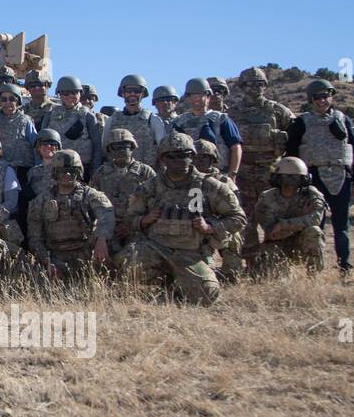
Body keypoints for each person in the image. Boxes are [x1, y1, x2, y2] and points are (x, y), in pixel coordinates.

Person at [121, 133, 245, 305]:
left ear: (192, 156)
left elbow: (238, 217)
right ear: (163, 159)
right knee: (128, 263)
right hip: (156, 249)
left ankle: (182, 282)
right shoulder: (150, 186)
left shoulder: (209, 185)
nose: (178, 161)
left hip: (192, 253)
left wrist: (210, 227)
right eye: (172, 157)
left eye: (184, 156)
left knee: (207, 295)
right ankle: (165, 283)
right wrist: (144, 220)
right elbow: (129, 218)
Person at [285, 79, 354, 276]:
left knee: (341, 227)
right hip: (314, 178)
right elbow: (292, 154)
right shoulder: (301, 122)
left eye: (326, 95)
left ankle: (344, 268)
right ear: (310, 99)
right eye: (317, 97)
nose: (322, 100)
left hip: (341, 177)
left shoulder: (343, 120)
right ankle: (314, 269)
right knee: (315, 226)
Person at [227, 66, 296, 249]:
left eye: (259, 84)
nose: (254, 88)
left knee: (273, 219)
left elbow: (295, 137)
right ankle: (250, 263)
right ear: (242, 87)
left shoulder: (278, 111)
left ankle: (274, 260)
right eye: (249, 84)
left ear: (265, 86)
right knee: (245, 221)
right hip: (243, 176)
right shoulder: (232, 114)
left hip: (271, 175)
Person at [26, 150, 114, 281]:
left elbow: (106, 214)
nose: (67, 174)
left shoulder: (90, 195)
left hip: (86, 255)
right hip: (56, 257)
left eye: (71, 170)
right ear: (55, 172)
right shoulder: (42, 201)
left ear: (79, 172)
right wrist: (48, 262)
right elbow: (35, 238)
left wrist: (101, 240)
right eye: (62, 170)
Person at [250, 157, 327, 278]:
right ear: (277, 178)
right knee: (276, 281)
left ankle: (314, 277)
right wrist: (301, 221)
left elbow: (316, 219)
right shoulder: (267, 198)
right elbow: (272, 232)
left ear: (303, 179)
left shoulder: (311, 194)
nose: (290, 181)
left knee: (314, 232)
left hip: (301, 244)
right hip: (276, 246)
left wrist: (283, 224)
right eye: (286, 177)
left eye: (294, 177)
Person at [89, 128, 156, 260]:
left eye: (124, 146)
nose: (120, 150)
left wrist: (135, 224)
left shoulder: (145, 172)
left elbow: (156, 203)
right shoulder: (101, 174)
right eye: (115, 147)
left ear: (132, 148)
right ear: (109, 151)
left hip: (138, 228)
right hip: (108, 228)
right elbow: (91, 204)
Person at [192, 139, 243, 282]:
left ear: (213, 159)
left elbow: (237, 215)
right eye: (196, 157)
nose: (199, 161)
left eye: (204, 157)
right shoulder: (187, 181)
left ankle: (231, 273)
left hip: (219, 227)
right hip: (196, 229)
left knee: (234, 237)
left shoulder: (224, 182)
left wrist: (213, 227)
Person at [171, 77, 243, 176]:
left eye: (200, 95)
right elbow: (173, 150)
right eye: (192, 96)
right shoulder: (180, 122)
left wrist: (233, 174)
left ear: (208, 96)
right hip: (189, 176)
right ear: (187, 98)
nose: (196, 99)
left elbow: (235, 147)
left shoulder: (221, 119)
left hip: (218, 174)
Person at [39, 75, 102, 176]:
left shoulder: (87, 116)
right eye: (65, 93)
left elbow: (97, 146)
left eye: (73, 92)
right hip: (55, 168)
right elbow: (41, 143)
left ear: (80, 93)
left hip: (82, 168)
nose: (69, 96)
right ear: (59, 94)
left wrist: (96, 171)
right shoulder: (51, 114)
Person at [105, 74, 167, 169]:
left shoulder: (152, 119)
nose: (133, 94)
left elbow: (163, 149)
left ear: (142, 94)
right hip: (117, 176)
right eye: (129, 91)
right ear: (123, 94)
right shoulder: (112, 120)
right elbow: (105, 148)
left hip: (147, 176)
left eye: (137, 91)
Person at [0, 83, 38, 176]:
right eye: (4, 99)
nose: (8, 102)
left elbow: (35, 146)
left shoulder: (26, 120)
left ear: (18, 101)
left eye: (12, 99)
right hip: (1, 169)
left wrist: (37, 168)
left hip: (23, 169)